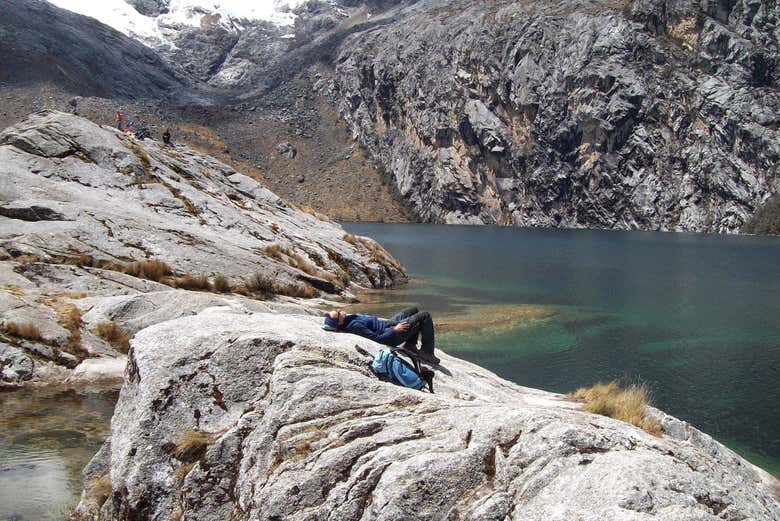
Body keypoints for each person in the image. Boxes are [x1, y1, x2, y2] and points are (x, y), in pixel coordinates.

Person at [323, 307, 440, 364]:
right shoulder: (355, 326)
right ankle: (427, 352)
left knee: (413, 310)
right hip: (391, 335)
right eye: (338, 313)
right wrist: (395, 329)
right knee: (424, 316)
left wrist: (392, 324)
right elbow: (377, 339)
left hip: (386, 325)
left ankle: (410, 344)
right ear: (339, 321)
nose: (339, 310)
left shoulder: (348, 319)